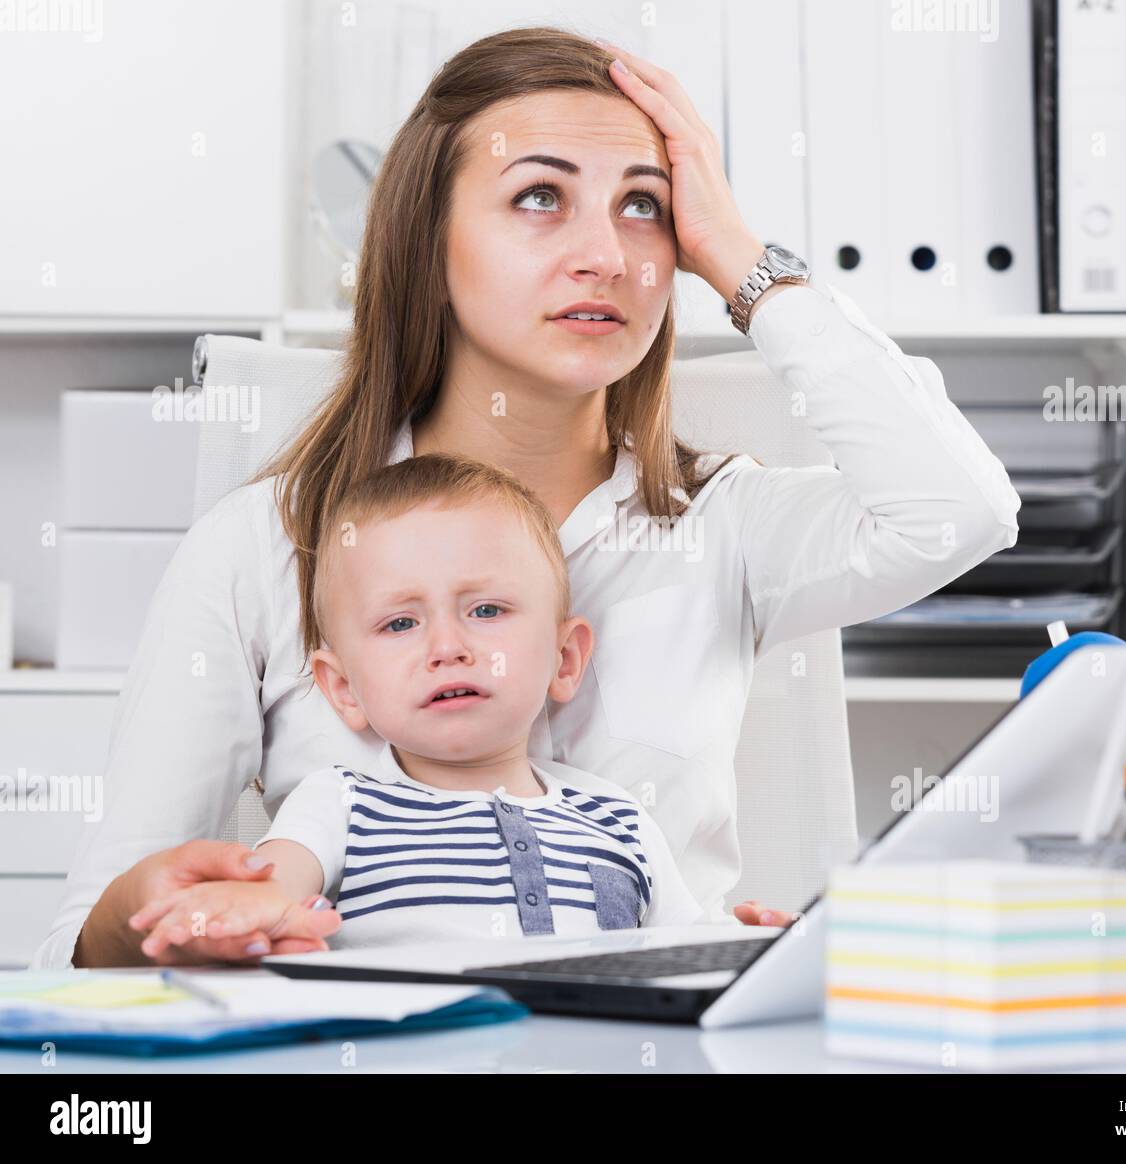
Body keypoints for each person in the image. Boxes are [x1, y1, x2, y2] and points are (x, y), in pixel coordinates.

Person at [35, 28, 1020, 970]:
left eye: (644, 205)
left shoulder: (725, 524)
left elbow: (959, 513)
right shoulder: (262, 545)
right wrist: (167, 920)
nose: (607, 255)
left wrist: (738, 258)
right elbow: (84, 942)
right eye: (541, 197)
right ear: (427, 241)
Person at [128, 454, 707, 957]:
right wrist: (242, 907)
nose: (447, 649)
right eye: (400, 622)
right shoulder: (342, 802)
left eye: (485, 611)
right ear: (344, 689)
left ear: (565, 658)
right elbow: (275, 884)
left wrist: (766, 950)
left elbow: (694, 955)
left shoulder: (619, 817)